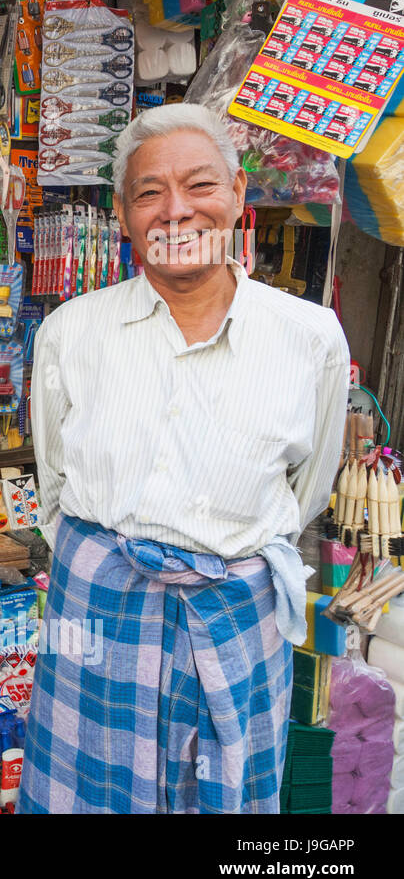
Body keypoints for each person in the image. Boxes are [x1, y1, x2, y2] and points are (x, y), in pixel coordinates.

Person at [22, 103, 349, 813]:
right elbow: (54, 490)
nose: (176, 211)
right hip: (98, 608)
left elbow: (308, 489)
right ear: (123, 216)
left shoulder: (309, 338)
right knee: (85, 792)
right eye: (149, 193)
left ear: (236, 198)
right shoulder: (69, 334)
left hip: (236, 612)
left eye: (200, 186)